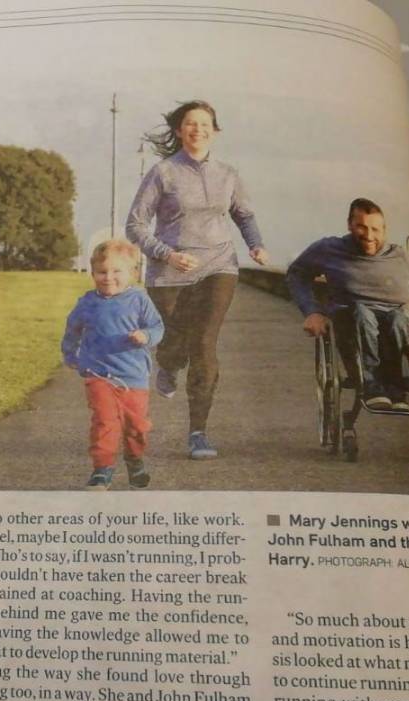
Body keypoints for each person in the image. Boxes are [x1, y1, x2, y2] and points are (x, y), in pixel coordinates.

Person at [125, 100, 269, 460]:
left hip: (219, 266)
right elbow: (135, 225)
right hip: (169, 272)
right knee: (175, 342)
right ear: (179, 130)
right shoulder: (162, 172)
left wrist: (255, 245)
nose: (198, 130)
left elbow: (244, 215)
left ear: (215, 131)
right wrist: (167, 254)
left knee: (204, 343)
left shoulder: (228, 174)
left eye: (205, 124)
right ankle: (169, 363)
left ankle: (198, 433)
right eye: (191, 123)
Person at [285, 198, 409, 412]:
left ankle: (395, 387)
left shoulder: (400, 256)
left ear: (384, 230)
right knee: (363, 314)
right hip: (352, 320)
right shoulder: (329, 248)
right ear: (349, 225)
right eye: (362, 227)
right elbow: (296, 274)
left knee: (398, 319)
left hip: (399, 319)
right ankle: (372, 385)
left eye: (375, 229)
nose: (369, 235)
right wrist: (312, 311)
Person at [62, 240, 164, 490]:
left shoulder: (139, 300)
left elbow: (157, 327)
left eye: (117, 271)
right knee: (105, 422)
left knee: (136, 426)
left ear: (133, 273)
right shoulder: (87, 302)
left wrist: (146, 335)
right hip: (99, 374)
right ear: (93, 273)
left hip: (134, 376)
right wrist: (70, 355)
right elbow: (72, 330)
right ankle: (102, 469)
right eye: (101, 272)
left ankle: (135, 460)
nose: (108, 277)